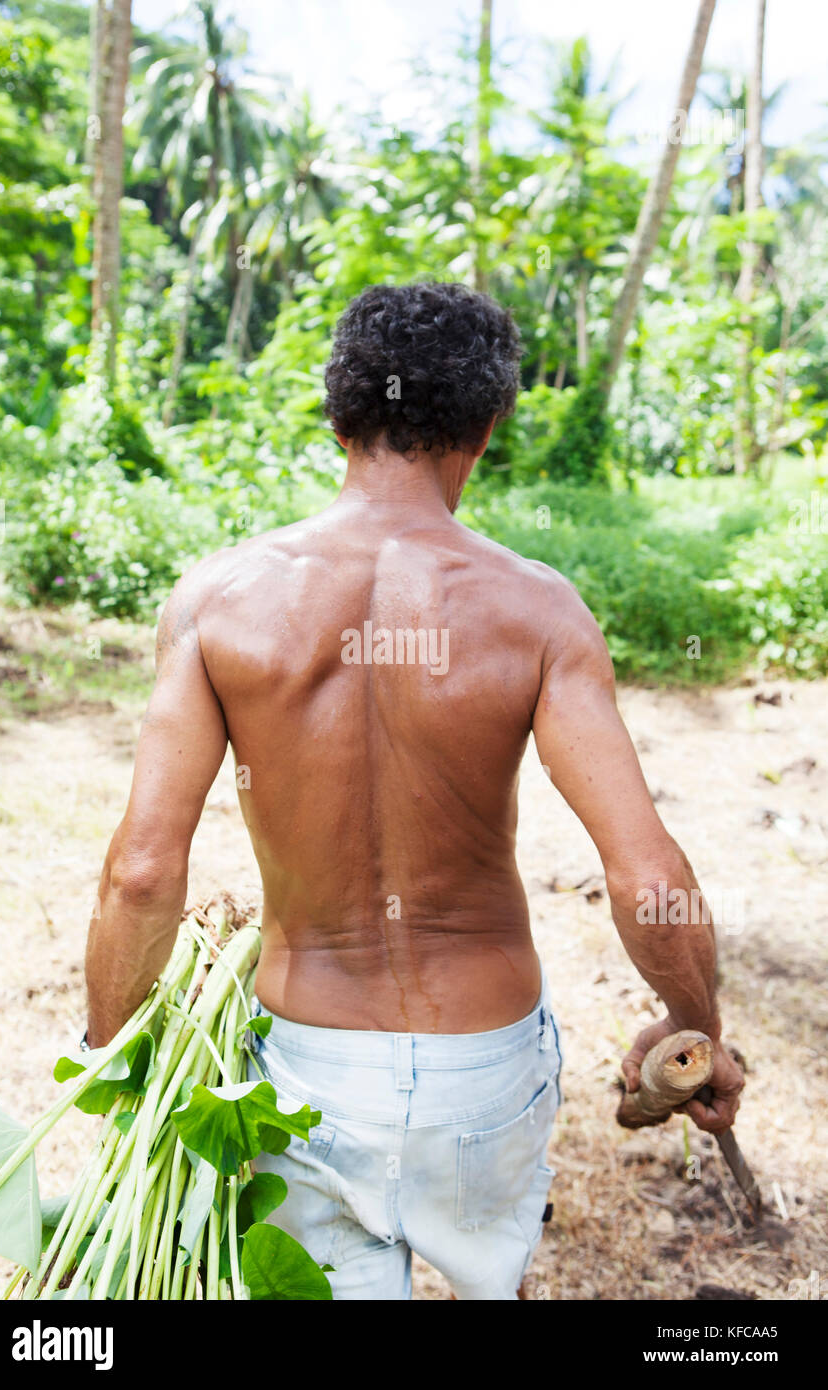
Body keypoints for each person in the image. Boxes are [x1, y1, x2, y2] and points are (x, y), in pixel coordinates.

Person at [83, 281, 745, 1300]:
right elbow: (645, 869)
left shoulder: (218, 601)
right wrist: (691, 1024)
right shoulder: (535, 611)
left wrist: (106, 1055)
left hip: (305, 1070)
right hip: (479, 1071)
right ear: (485, 429)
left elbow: (139, 872)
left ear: (336, 412)